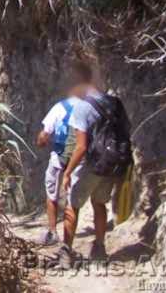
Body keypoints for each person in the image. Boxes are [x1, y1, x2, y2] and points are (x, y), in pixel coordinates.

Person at [55, 61, 118, 269]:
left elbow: (81, 146)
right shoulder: (114, 103)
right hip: (109, 164)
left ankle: (66, 252)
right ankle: (99, 248)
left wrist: (68, 172)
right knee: (99, 204)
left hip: (89, 165)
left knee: (72, 206)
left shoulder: (81, 108)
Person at [36, 94, 78, 245]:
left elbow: (45, 134)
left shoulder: (60, 107)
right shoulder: (88, 107)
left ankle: (53, 232)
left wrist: (40, 141)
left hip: (59, 157)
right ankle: (70, 239)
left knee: (51, 194)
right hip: (80, 159)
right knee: (73, 199)